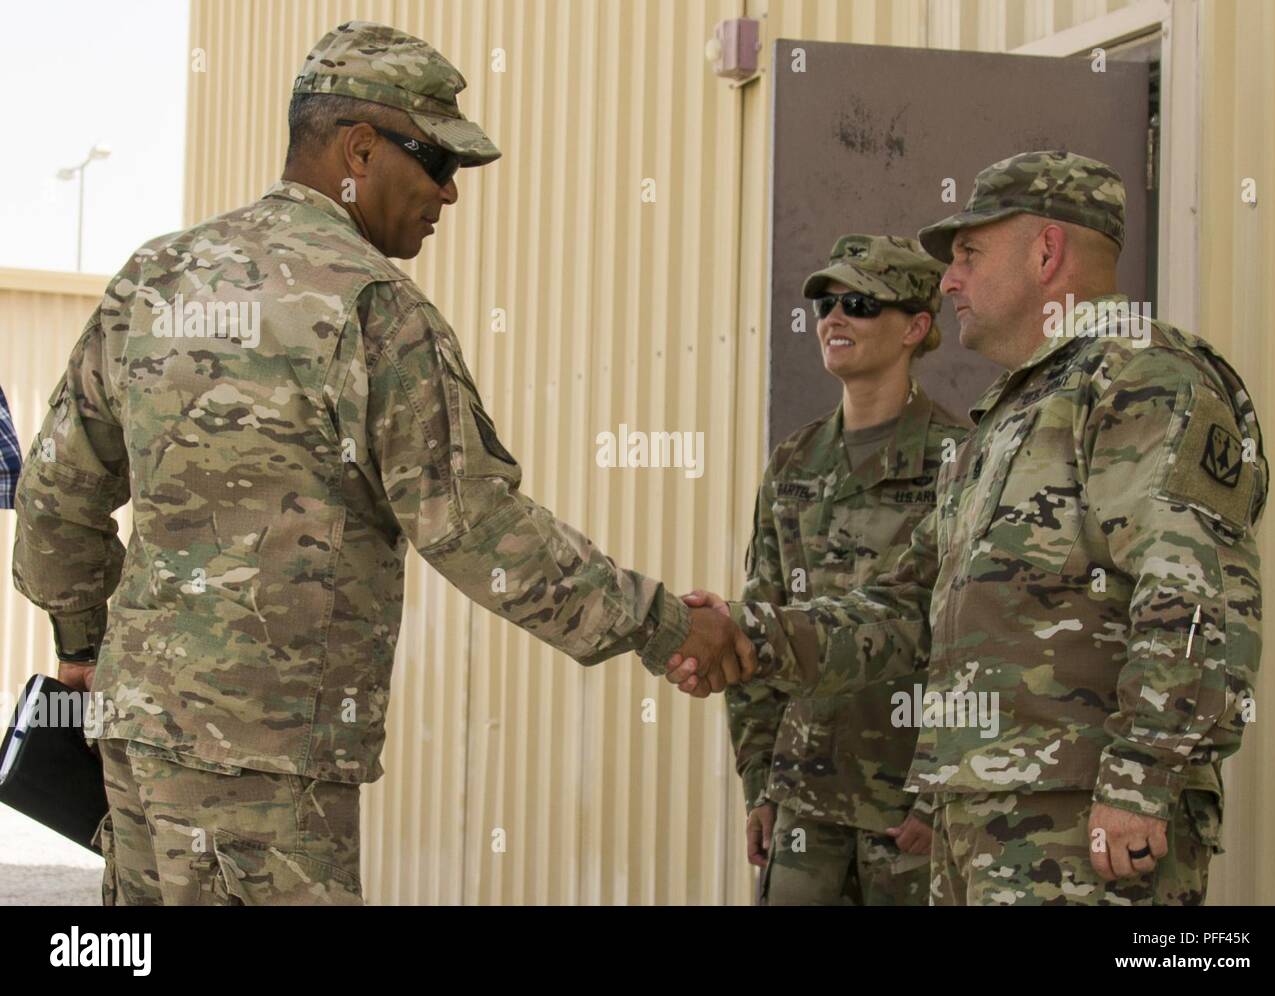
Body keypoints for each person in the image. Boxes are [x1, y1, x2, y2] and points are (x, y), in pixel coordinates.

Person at [11, 20, 752, 906]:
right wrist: (667, 624)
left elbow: (55, 497)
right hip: (268, 772)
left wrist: (87, 644)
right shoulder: (372, 308)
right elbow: (477, 528)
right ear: (359, 148)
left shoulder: (153, 279)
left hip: (131, 745)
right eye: (436, 162)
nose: (448, 193)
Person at [672, 151, 1269, 906]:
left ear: (1046, 252)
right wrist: (746, 638)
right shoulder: (1007, 418)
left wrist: (1142, 777)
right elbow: (903, 608)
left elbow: (1199, 595)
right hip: (981, 828)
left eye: (967, 254)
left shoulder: (1140, 379)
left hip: (1082, 831)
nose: (949, 280)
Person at [727, 235, 967, 905]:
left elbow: (977, 644)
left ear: (915, 327)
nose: (834, 320)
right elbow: (758, 630)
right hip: (806, 801)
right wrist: (761, 783)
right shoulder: (794, 463)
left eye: (859, 304)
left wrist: (940, 783)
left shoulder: (962, 461)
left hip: (910, 810)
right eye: (826, 305)